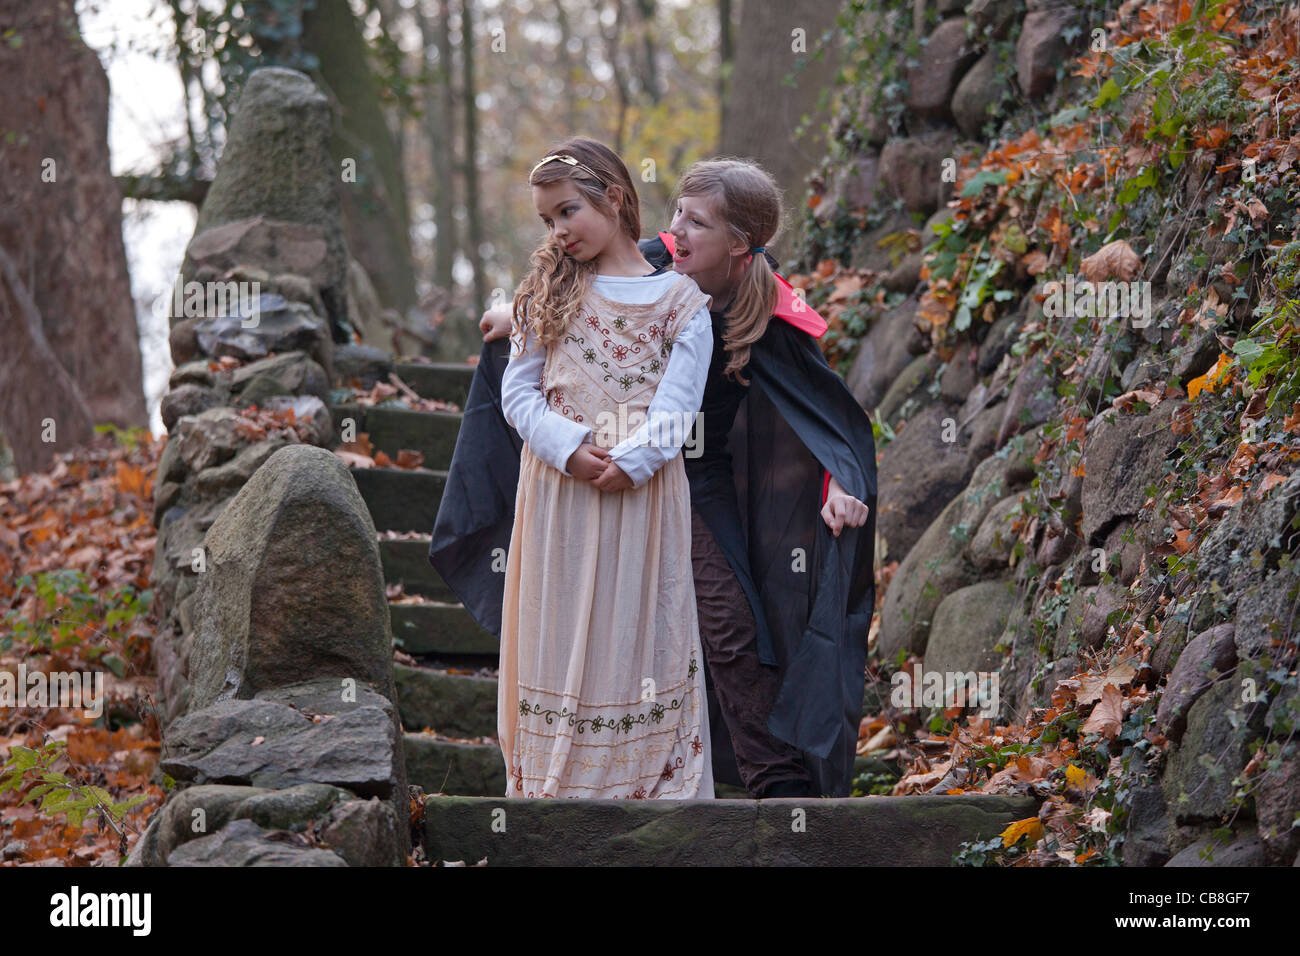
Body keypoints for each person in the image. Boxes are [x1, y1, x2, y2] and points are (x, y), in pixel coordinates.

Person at [433, 157, 877, 798]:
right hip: (603, 469)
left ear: (739, 245)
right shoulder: (656, 263)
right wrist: (514, 313)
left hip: (698, 482)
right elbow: (578, 274)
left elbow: (825, 415)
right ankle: (587, 769)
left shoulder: (768, 308)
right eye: (678, 216)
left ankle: (775, 783)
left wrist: (841, 486)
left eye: (698, 223)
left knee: (728, 619)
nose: (679, 232)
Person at [493, 137, 715, 799]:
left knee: (639, 632)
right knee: (559, 637)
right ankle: (558, 789)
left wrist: (635, 460)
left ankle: (641, 787)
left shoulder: (681, 302)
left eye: (567, 212)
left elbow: (680, 408)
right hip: (559, 493)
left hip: (642, 498)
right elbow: (517, 393)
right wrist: (565, 446)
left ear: (614, 198)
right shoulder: (545, 293)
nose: (557, 232)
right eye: (546, 220)